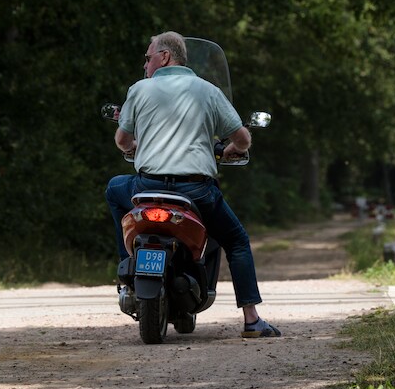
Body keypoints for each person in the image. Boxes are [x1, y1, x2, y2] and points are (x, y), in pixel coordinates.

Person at [105, 31, 282, 339]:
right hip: (194, 192)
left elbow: (122, 140)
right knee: (237, 241)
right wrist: (233, 149)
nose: (145, 65)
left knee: (114, 190)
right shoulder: (207, 90)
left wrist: (134, 147)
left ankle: (127, 262)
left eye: (148, 58)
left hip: (147, 187)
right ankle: (252, 320)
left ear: (164, 56)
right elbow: (241, 137)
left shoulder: (139, 90)